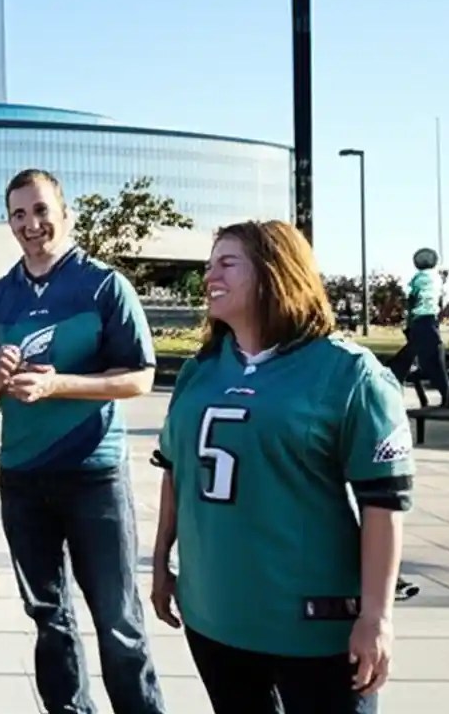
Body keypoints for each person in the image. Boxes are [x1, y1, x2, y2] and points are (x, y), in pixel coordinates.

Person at [150, 220, 411, 714]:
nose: (210, 276)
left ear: (276, 273)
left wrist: (377, 616)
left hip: (312, 628)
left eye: (227, 263)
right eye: (209, 265)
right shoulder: (200, 370)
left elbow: (384, 503)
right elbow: (174, 470)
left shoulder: (349, 375)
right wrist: (162, 561)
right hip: (214, 617)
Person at [0, 169, 165, 714]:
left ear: (64, 212)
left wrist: (59, 384)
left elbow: (139, 377)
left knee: (117, 620)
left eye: (40, 210)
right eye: (19, 214)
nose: (32, 224)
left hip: (93, 474)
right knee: (49, 618)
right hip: (23, 478)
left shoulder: (103, 285)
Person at [387, 248, 449, 407]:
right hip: (428, 322)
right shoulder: (436, 279)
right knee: (427, 360)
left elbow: (409, 298)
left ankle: (446, 397)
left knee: (427, 361)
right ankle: (442, 396)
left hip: (422, 322)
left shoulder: (417, 279)